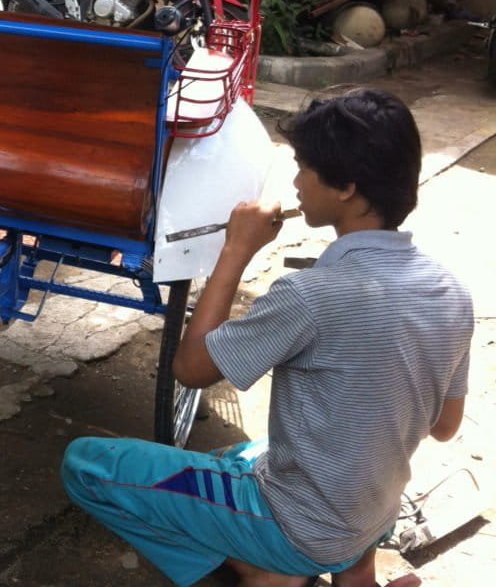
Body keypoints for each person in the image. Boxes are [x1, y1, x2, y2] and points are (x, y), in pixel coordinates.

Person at [61, 88, 473, 587]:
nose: (296, 181)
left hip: (300, 525)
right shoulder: (452, 292)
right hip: (374, 512)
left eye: (304, 167)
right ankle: (353, 564)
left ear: (347, 187)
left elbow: (190, 369)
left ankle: (261, 568)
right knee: (244, 454)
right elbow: (446, 427)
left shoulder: (310, 294)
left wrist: (235, 250)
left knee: (85, 463)